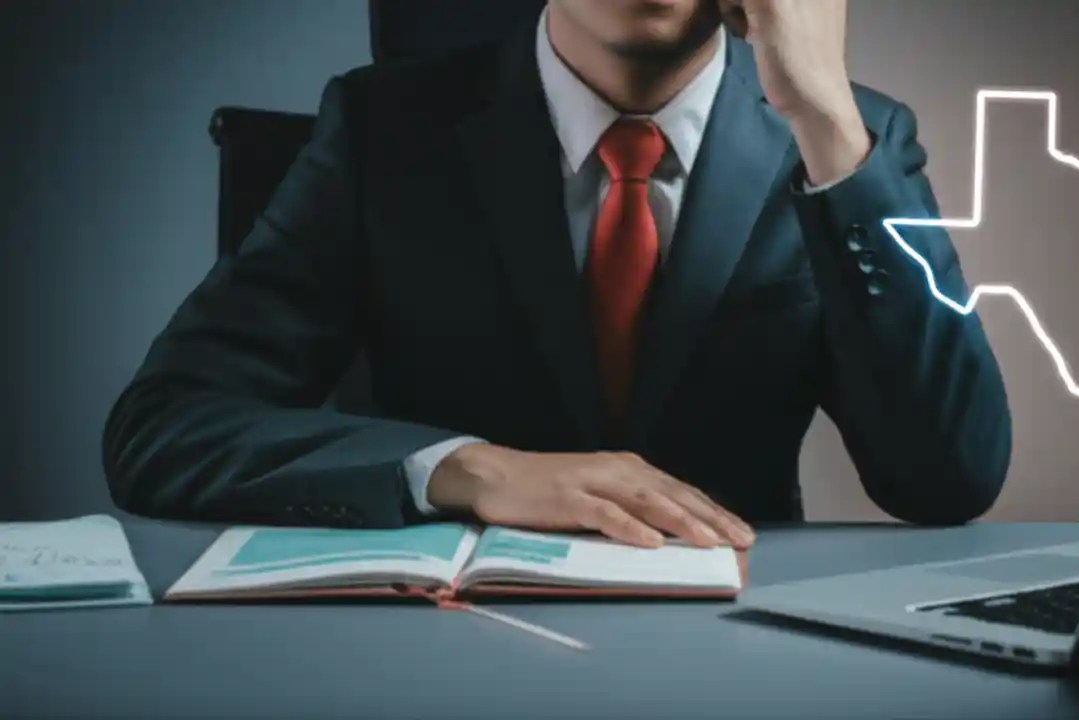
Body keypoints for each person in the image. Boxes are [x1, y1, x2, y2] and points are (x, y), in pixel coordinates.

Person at [102, 0, 1012, 550]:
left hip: (732, 641)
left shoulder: (850, 142)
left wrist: (823, 116)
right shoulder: (384, 132)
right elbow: (163, 427)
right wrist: (467, 470)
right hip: (444, 643)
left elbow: (948, 479)